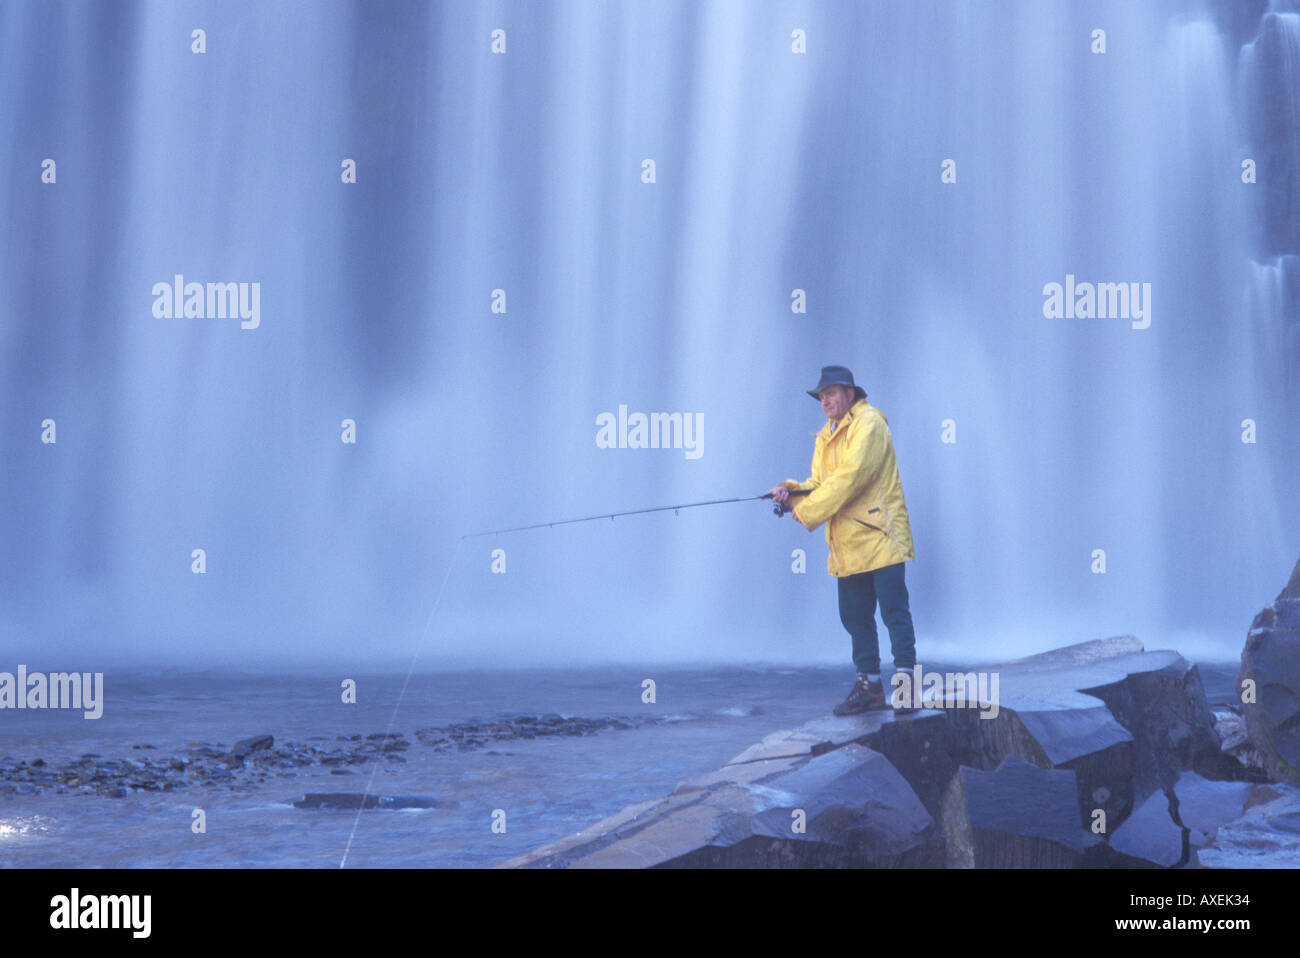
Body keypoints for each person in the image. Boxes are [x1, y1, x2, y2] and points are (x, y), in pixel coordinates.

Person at [767, 365, 917, 715]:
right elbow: (821, 485)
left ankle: (906, 688)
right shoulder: (825, 435)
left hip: (882, 536)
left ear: (851, 394)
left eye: (831, 393)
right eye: (821, 396)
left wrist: (806, 512)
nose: (825, 401)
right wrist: (790, 492)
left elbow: (851, 479)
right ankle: (870, 689)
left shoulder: (870, 424)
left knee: (894, 612)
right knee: (854, 616)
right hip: (847, 541)